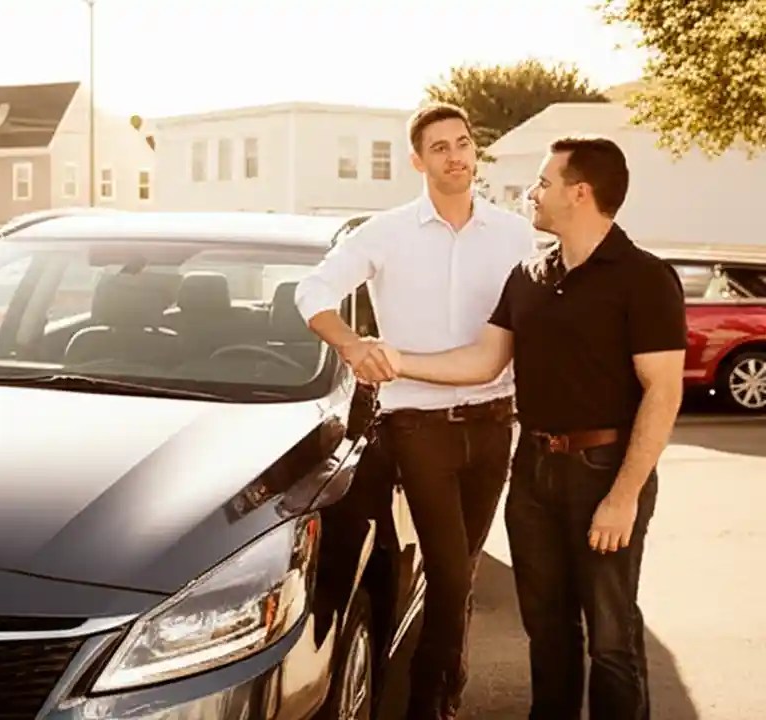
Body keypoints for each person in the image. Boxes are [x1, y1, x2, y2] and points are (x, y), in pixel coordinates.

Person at [370, 135, 687, 719]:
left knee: (612, 637)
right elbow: (484, 361)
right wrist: (391, 359)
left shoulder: (644, 278)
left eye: (543, 182)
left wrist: (624, 496)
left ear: (580, 192)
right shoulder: (529, 274)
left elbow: (664, 392)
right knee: (547, 629)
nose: (531, 194)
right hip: (533, 475)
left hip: (606, 473)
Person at [294, 102, 536, 720]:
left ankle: (444, 688)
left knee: (463, 573)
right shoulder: (385, 231)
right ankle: (431, 706)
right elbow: (311, 290)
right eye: (440, 148)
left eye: (463, 144)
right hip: (417, 428)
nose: (455, 157)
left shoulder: (514, 233)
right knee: (451, 578)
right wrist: (351, 344)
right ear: (416, 160)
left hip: (492, 422)